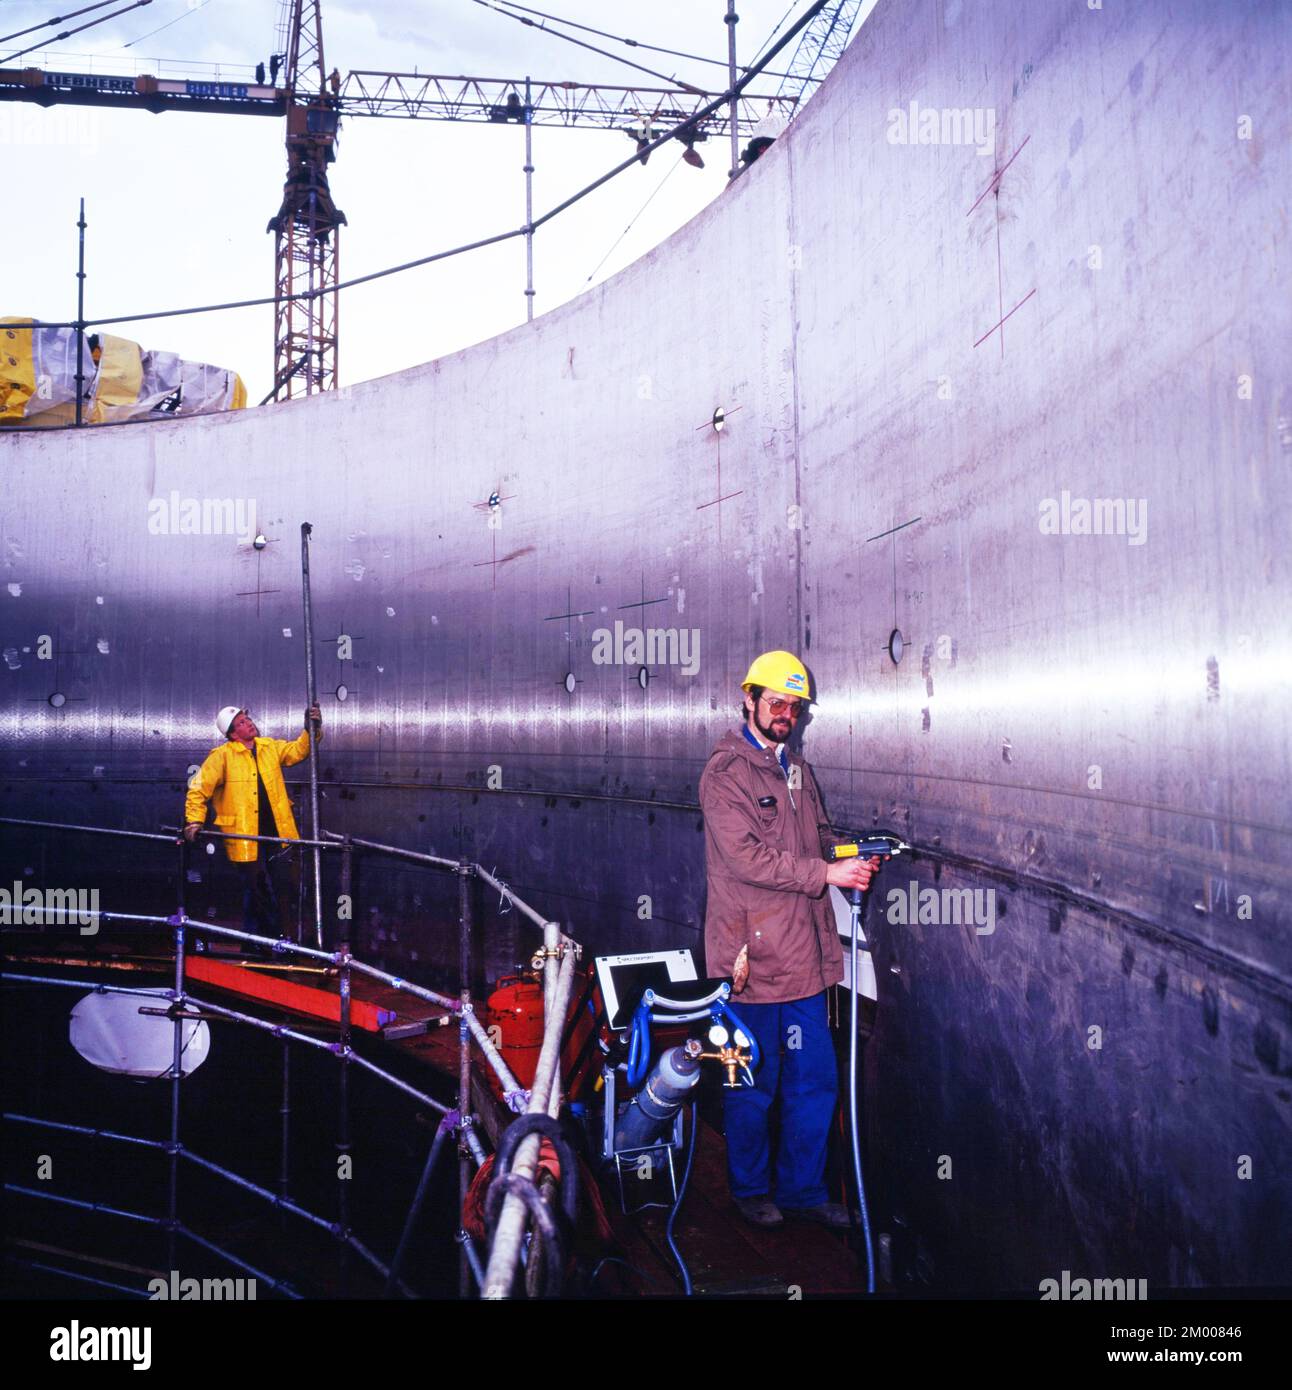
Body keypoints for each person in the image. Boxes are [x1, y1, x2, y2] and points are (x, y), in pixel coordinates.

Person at [698, 650, 879, 1229]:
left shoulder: (796, 768)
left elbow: (818, 837)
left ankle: (803, 1191)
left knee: (813, 1083)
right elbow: (748, 858)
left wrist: (854, 852)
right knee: (752, 1083)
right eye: (776, 702)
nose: (786, 714)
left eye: (795, 706)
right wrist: (827, 875)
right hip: (752, 964)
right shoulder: (725, 775)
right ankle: (751, 1190)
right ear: (747, 698)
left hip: (802, 960)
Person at [183, 704, 322, 942]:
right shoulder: (222, 757)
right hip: (245, 839)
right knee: (260, 892)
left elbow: (299, 750)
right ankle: (269, 945)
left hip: (278, 835)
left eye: (247, 719)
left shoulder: (269, 747)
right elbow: (198, 789)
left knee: (278, 890)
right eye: (241, 723)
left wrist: (312, 727)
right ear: (233, 734)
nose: (249, 723)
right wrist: (194, 821)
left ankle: (262, 945)